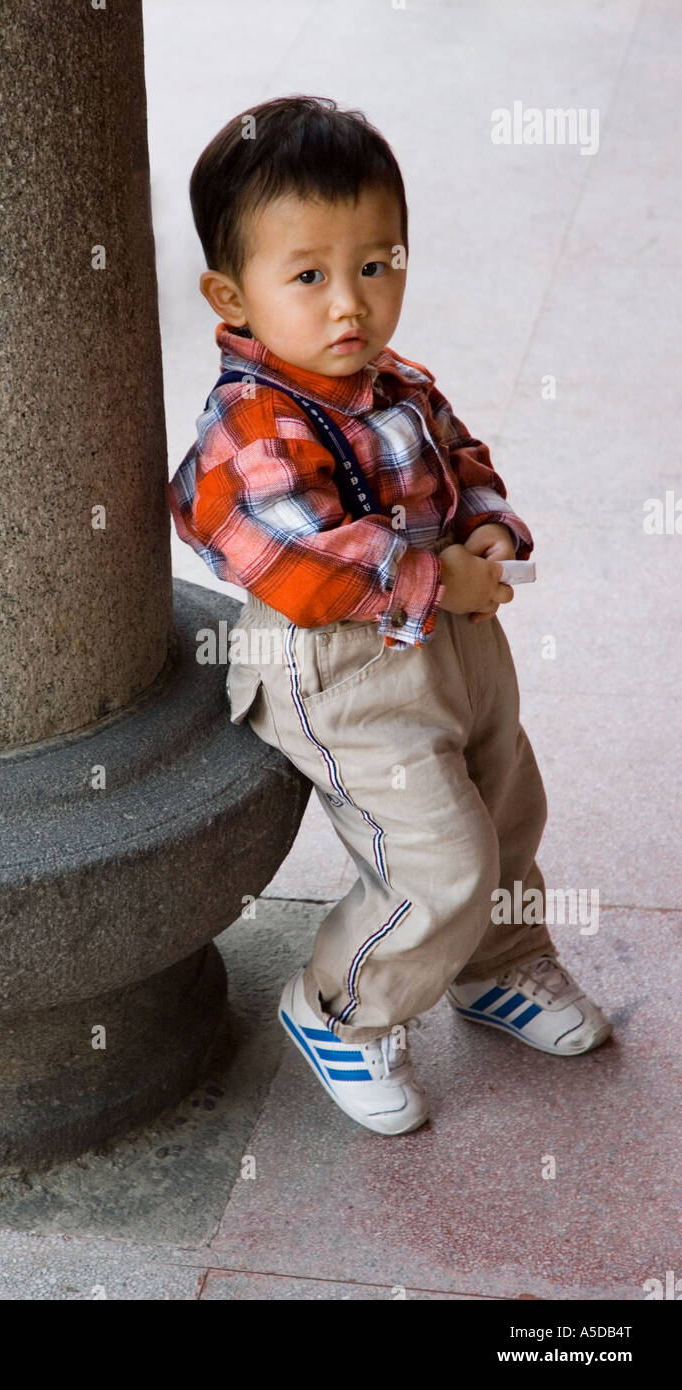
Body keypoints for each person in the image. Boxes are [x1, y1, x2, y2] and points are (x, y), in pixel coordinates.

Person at [167, 95, 612, 1136]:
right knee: (435, 856)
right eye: (309, 275)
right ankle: (340, 1008)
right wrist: (438, 579)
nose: (349, 304)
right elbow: (302, 563)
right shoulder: (252, 422)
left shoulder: (395, 380)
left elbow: (463, 463)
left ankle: (493, 966)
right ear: (231, 294)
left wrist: (492, 528)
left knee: (506, 805)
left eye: (376, 264)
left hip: (456, 642)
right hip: (341, 668)